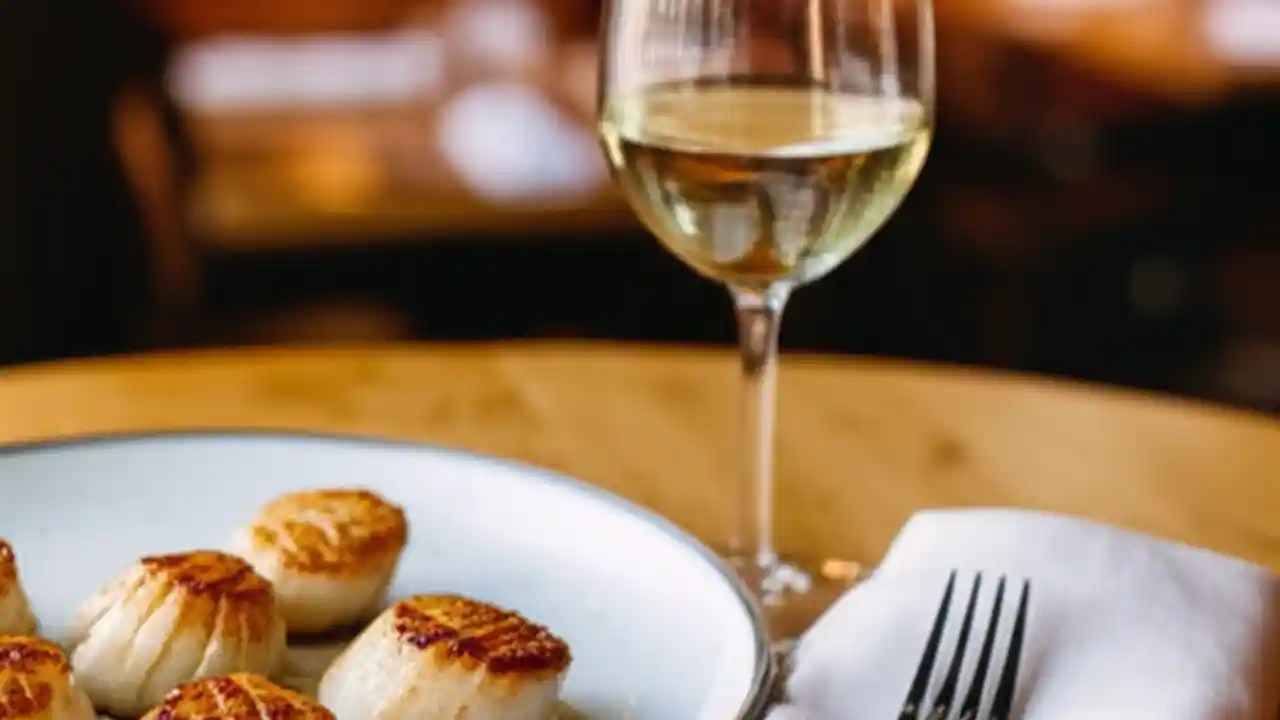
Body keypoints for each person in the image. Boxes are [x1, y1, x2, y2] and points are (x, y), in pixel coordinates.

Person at [0, 1, 193, 364]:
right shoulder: (115, 28)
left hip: (53, 271)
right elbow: (151, 163)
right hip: (94, 267)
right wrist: (176, 274)